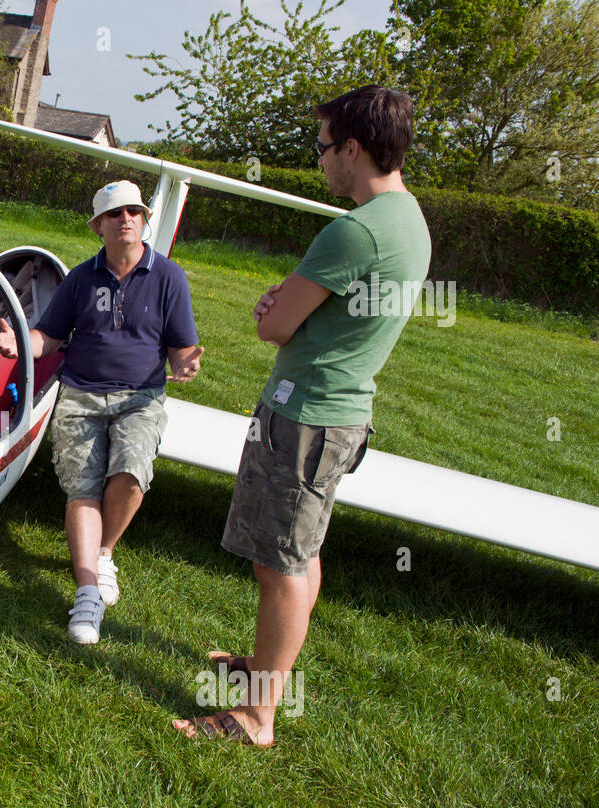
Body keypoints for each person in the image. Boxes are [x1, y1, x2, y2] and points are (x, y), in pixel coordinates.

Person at [175, 85, 432, 747]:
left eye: (322, 147)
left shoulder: (355, 230)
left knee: (279, 566)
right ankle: (263, 671)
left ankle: (256, 715)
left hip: (308, 414)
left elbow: (278, 325)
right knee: (301, 550)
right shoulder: (409, 221)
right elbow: (327, 310)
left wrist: (282, 311)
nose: (318, 161)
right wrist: (293, 307)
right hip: (341, 413)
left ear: (352, 148)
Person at [0, 180, 203, 644]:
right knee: (82, 487)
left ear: (144, 220)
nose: (126, 218)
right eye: (115, 213)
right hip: (82, 393)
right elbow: (48, 337)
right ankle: (87, 592)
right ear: (99, 226)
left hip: (141, 396)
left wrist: (185, 362)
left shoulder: (170, 277)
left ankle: (104, 552)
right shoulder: (81, 279)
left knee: (130, 475)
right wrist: (17, 344)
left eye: (134, 211)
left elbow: (180, 346)